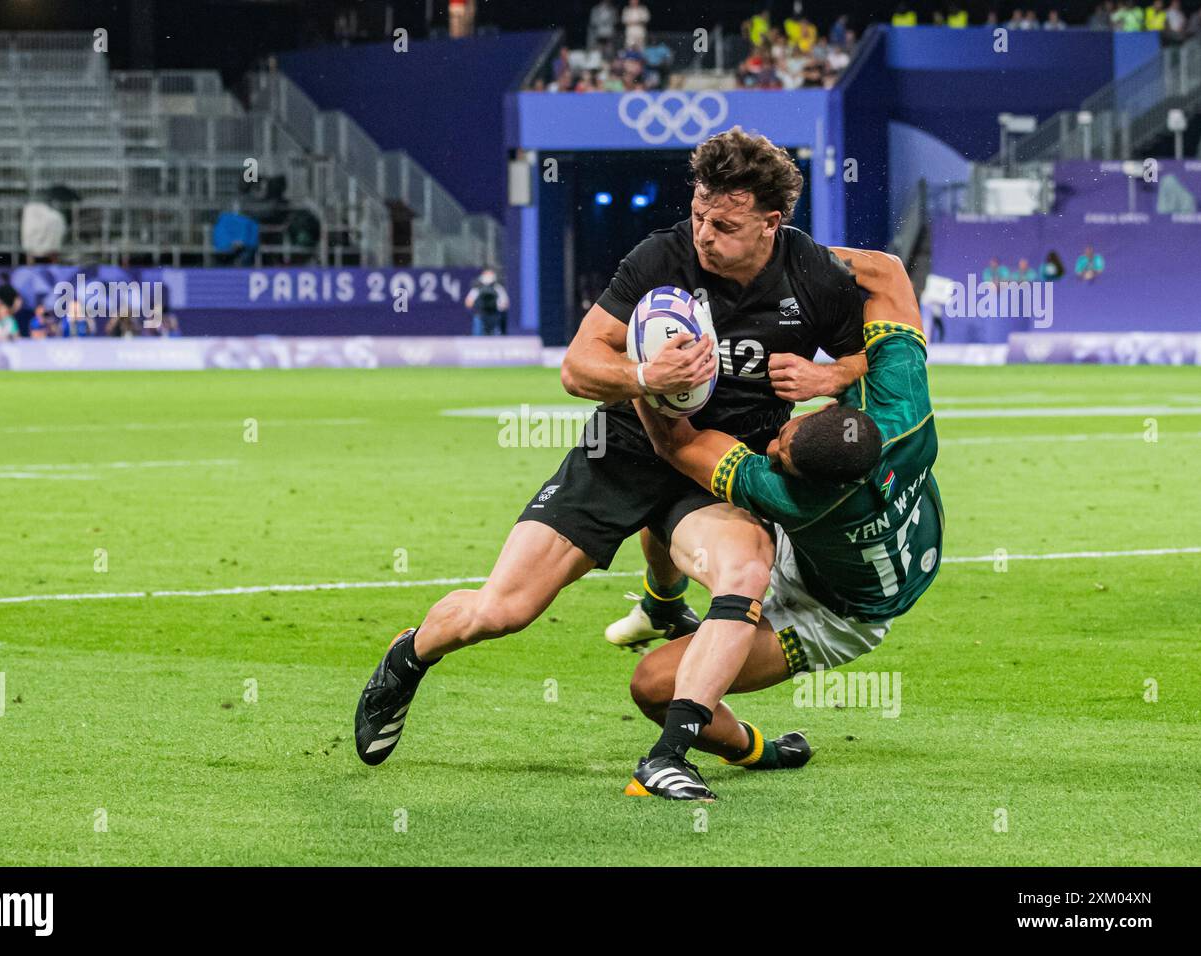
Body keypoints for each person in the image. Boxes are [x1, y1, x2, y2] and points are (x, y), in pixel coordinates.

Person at [353, 127, 868, 770]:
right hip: (618, 450)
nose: (704, 235)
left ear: (772, 221)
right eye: (699, 214)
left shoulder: (816, 276)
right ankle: (409, 657)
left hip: (717, 470)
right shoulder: (660, 256)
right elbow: (576, 368)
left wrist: (830, 378)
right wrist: (647, 378)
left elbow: (867, 360)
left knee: (744, 573)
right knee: (502, 610)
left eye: (725, 225)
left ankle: (699, 746)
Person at [622, 249, 943, 799]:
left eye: (779, 454)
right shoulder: (905, 410)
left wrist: (643, 371)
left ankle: (759, 749)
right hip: (870, 554)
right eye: (787, 435)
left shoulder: (797, 498)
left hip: (839, 616)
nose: (770, 444)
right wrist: (775, 258)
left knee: (652, 687)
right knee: (669, 510)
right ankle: (662, 605)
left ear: (802, 481)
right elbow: (888, 271)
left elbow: (676, 443)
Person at [465, 268, 509, 336]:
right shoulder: (477, 288)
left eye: (490, 275)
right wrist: (478, 306)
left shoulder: (498, 288)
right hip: (481, 315)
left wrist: (497, 306)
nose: (488, 277)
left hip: (494, 315)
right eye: (487, 274)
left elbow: (505, 303)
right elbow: (468, 302)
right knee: (478, 332)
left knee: (496, 334)